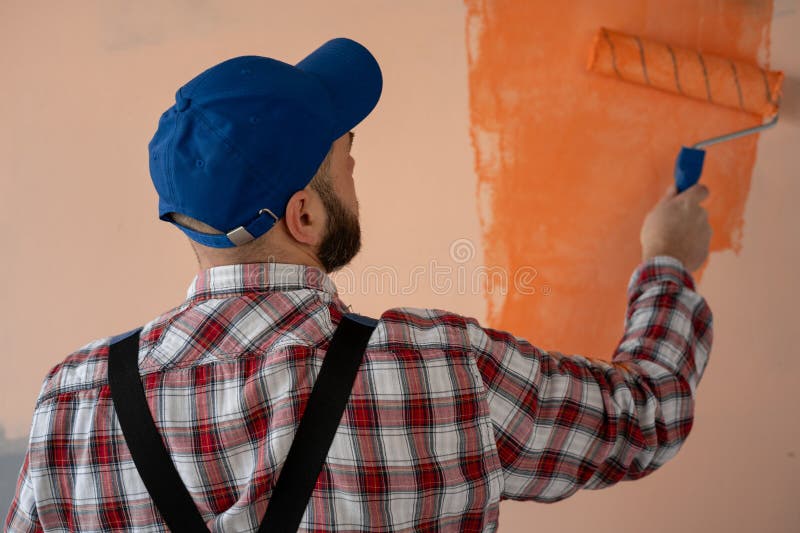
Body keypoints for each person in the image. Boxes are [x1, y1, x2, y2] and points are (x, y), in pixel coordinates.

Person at [4, 37, 713, 532]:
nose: (353, 170)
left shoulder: (73, 404)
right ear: (305, 216)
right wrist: (668, 263)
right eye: (347, 156)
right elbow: (645, 417)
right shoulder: (442, 371)